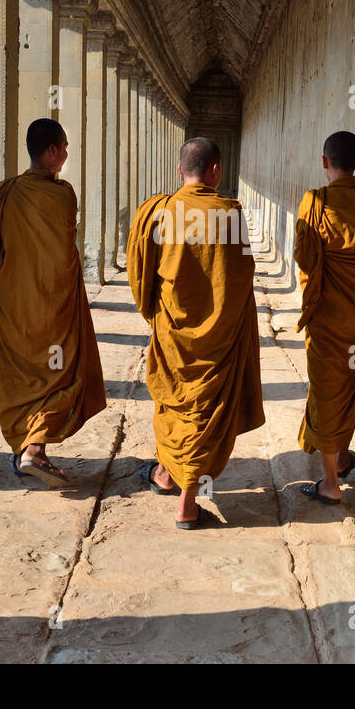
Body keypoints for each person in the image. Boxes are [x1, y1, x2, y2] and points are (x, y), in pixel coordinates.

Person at [127, 137, 264, 528]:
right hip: (217, 336)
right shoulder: (230, 214)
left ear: (179, 170)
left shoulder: (160, 212)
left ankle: (182, 495)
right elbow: (241, 279)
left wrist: (156, 314)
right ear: (216, 171)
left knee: (175, 403)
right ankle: (179, 491)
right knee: (205, 408)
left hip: (174, 329)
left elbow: (140, 274)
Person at [0, 118, 106, 487]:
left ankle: (30, 448)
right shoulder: (63, 194)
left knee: (22, 375)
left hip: (16, 305)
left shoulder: (3, 193)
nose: (66, 155)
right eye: (64, 147)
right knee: (63, 374)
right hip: (56, 305)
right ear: (51, 152)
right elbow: (64, 245)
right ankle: (35, 448)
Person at [293, 131, 355, 504]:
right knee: (352, 383)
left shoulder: (316, 202)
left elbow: (305, 258)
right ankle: (341, 456)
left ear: (324, 162)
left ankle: (331, 484)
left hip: (327, 321)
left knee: (326, 390)